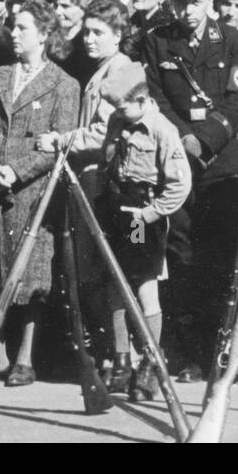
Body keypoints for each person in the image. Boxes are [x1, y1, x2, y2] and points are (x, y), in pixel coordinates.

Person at [0, 0, 80, 387]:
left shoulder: (64, 84)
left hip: (32, 194)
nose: (15, 34)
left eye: (23, 28)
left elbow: (58, 143)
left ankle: (25, 359)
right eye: (14, 27)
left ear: (44, 35)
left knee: (29, 282)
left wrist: (17, 170)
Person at [140, 0, 238, 381]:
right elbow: (156, 96)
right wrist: (183, 139)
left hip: (221, 160)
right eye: (181, 2)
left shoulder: (231, 40)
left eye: (196, 2)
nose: (188, 11)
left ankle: (223, 355)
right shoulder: (157, 41)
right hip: (177, 161)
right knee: (183, 256)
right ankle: (190, 354)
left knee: (222, 258)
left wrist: (205, 139)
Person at [92, 60, 191, 400]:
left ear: (142, 100)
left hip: (140, 217)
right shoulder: (120, 121)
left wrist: (150, 214)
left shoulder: (162, 129)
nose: (117, 112)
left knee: (143, 283)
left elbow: (179, 185)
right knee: (116, 286)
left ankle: (149, 363)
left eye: (121, 106)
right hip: (117, 212)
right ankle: (121, 362)